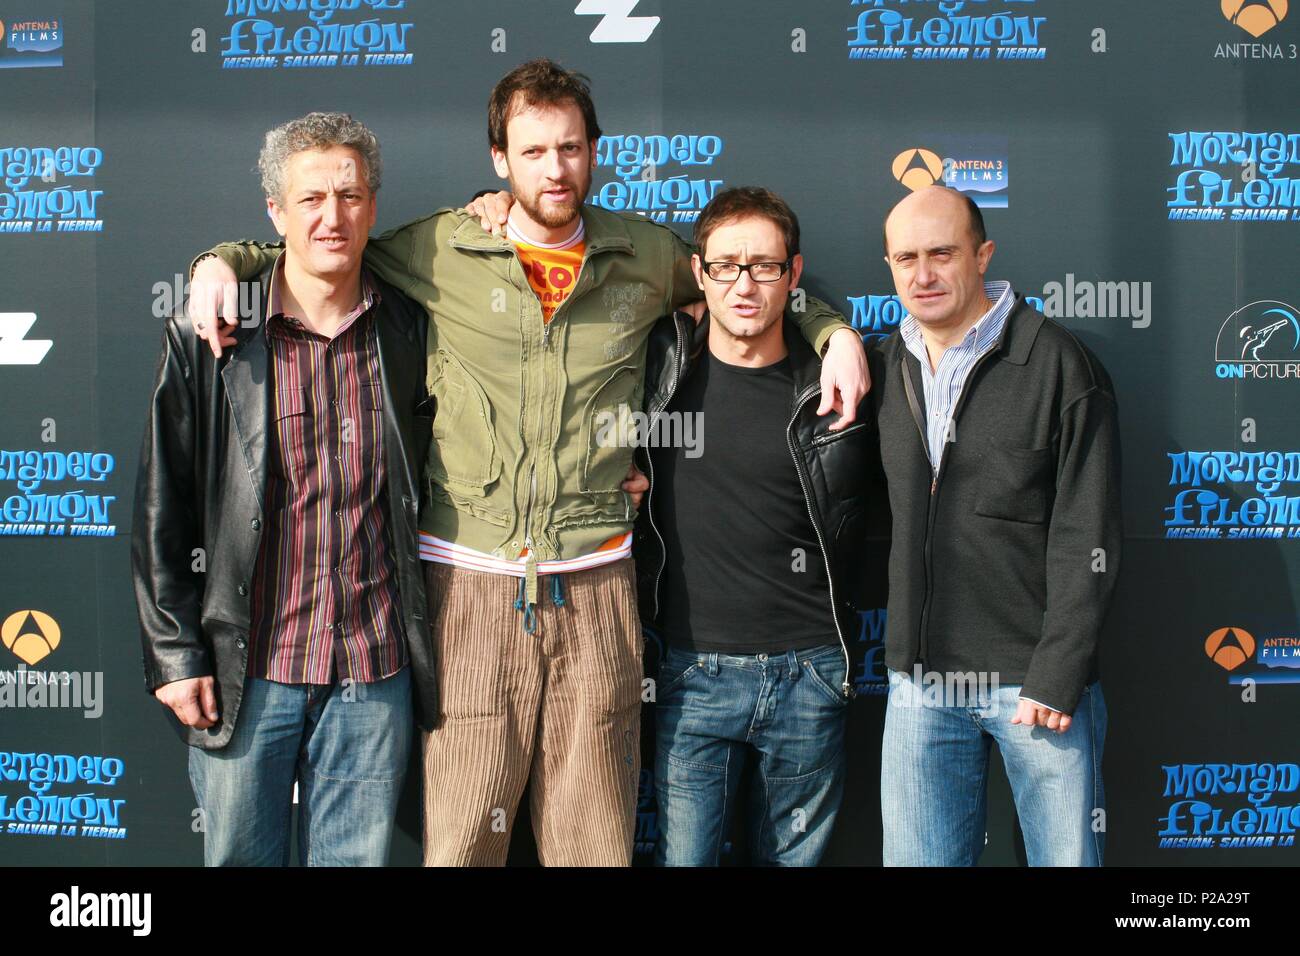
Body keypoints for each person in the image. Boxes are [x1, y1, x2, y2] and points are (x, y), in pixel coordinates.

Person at [185, 59, 869, 866]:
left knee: (593, 844)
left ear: (593, 152)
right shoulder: (442, 248)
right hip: (470, 591)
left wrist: (834, 332)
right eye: (534, 150)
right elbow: (321, 245)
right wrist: (225, 261)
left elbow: (741, 269)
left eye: (572, 148)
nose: (556, 168)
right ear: (500, 160)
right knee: (467, 840)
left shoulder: (644, 254)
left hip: (597, 590)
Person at [132, 112, 435, 866]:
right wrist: (175, 654)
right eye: (311, 199)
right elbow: (159, 507)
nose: (333, 216)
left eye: (351, 195)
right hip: (248, 672)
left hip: (374, 673)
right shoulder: (211, 337)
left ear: (373, 204)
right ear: (275, 212)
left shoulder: (412, 330)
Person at [869, 184, 1121, 866]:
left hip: (1031, 684)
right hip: (920, 683)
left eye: (942, 254)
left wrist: (1058, 670)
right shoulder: (881, 365)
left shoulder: (1058, 364)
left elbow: (1087, 532)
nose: (923, 275)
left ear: (983, 255)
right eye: (905, 258)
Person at [635, 187, 878, 865]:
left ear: (794, 276)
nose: (745, 286)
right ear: (699, 273)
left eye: (766, 267)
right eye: (726, 266)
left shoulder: (838, 389)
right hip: (688, 673)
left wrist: (840, 334)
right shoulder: (658, 370)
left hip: (810, 673)